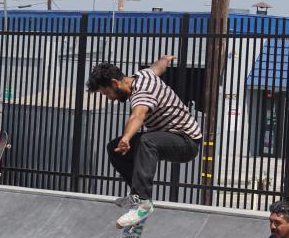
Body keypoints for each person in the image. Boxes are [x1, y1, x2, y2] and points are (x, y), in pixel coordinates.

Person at [87, 56, 203, 228]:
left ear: (114, 83)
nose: (109, 98)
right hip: (168, 136)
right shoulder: (143, 75)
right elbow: (158, 67)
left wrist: (126, 138)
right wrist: (165, 59)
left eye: (107, 93)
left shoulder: (142, 93)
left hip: (186, 141)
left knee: (147, 142)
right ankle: (135, 195)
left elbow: (138, 116)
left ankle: (143, 204)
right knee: (114, 148)